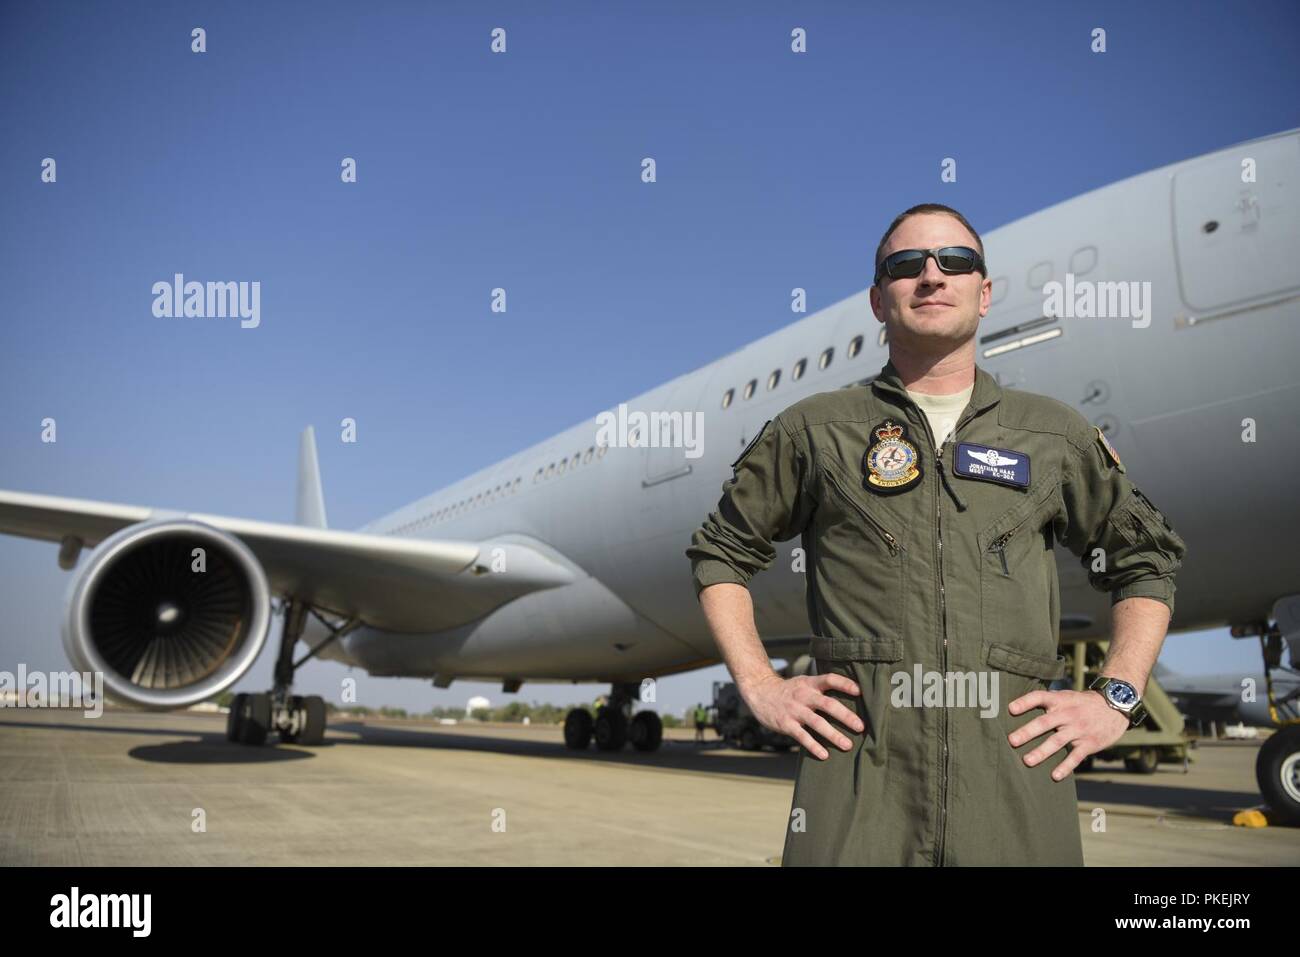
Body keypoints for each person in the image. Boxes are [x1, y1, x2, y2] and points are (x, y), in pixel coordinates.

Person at [685, 203, 1186, 865]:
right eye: (905, 265)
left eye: (954, 261)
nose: (931, 275)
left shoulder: (1053, 434)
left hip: (1017, 788)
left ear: (984, 293)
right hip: (856, 790)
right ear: (877, 299)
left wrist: (1117, 696)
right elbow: (721, 551)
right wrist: (759, 685)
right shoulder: (815, 430)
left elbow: (1144, 557)